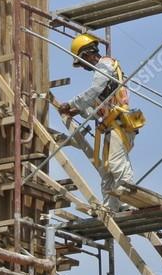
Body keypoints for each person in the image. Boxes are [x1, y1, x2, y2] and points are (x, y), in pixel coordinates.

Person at [58, 34, 144, 211]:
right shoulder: (106, 70)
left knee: (116, 164)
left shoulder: (104, 65)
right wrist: (79, 110)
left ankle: (128, 202)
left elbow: (95, 90)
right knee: (106, 170)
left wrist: (72, 103)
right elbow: (99, 103)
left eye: (80, 62)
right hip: (111, 125)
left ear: (86, 55)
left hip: (118, 124)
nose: (82, 67)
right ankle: (110, 207)